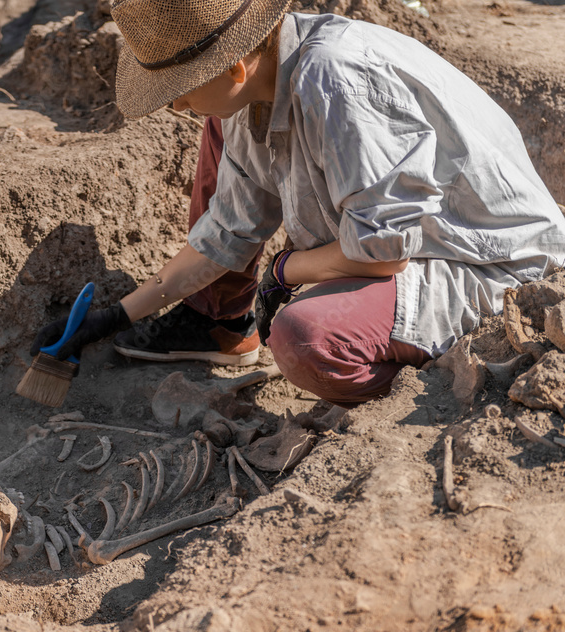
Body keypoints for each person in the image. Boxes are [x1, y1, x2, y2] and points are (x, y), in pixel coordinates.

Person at [30, 0, 565, 408]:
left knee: (304, 338)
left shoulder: (336, 80)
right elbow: (228, 231)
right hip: (406, 243)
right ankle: (218, 327)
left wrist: (286, 269)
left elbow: (384, 248)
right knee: (217, 131)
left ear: (235, 66)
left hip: (490, 264)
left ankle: (416, 388)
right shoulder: (262, 80)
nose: (174, 103)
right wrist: (112, 318)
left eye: (180, 86)